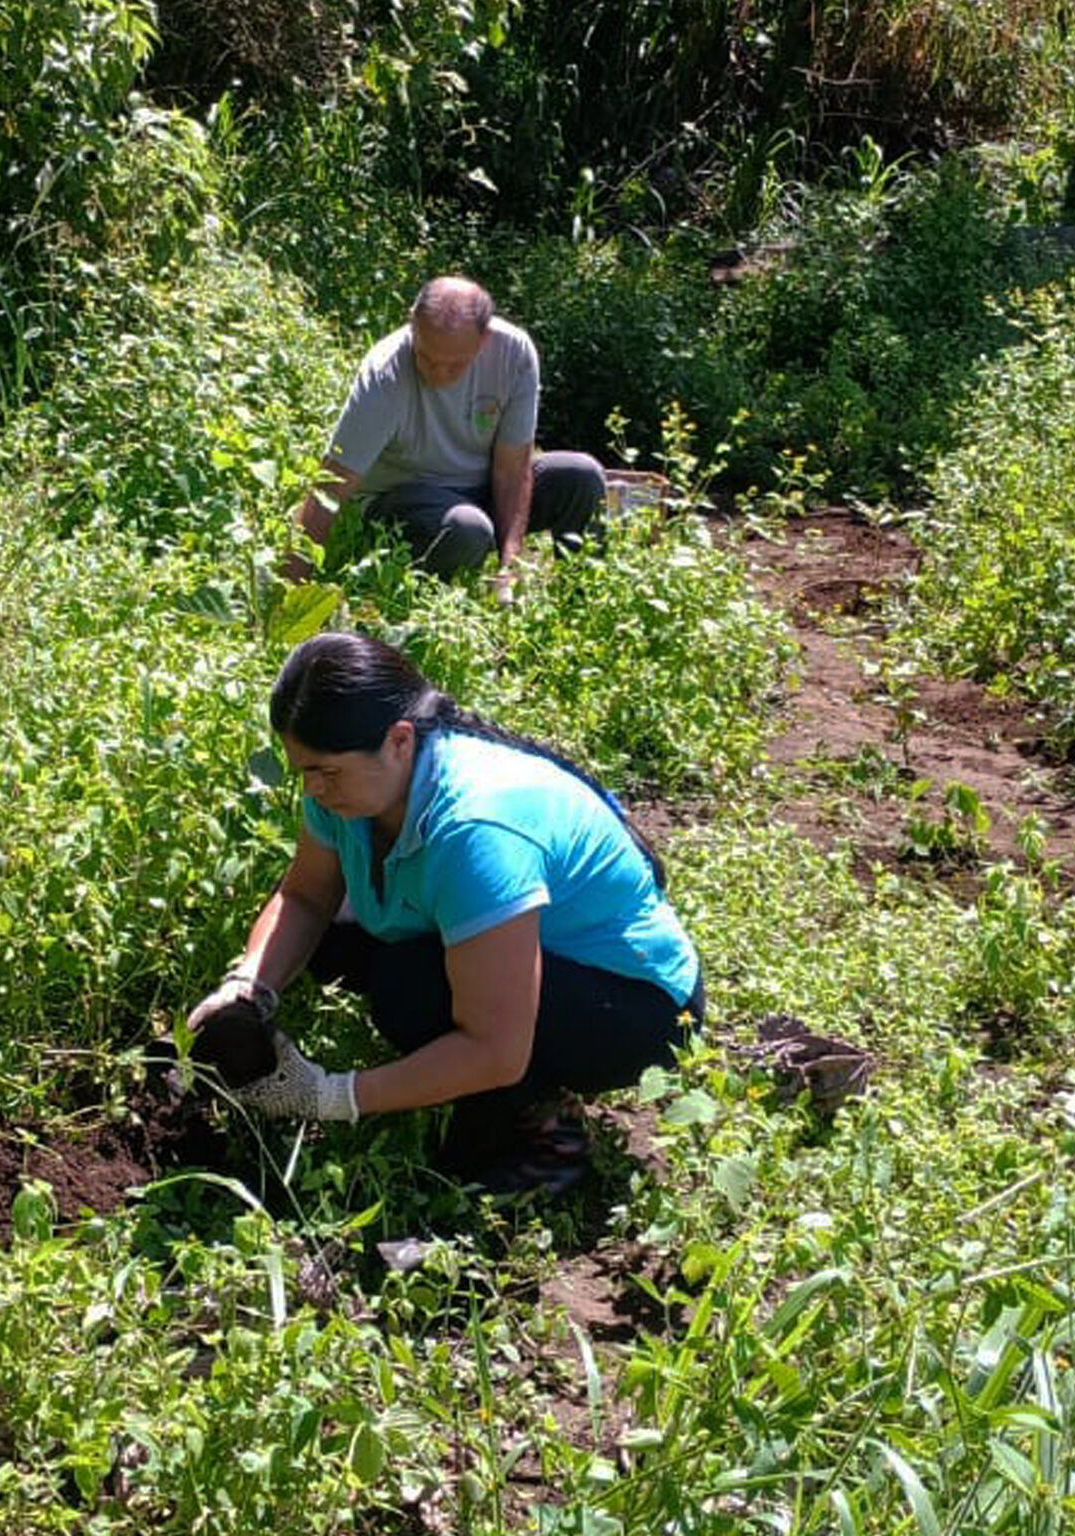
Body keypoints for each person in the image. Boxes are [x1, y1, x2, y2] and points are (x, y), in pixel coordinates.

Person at [183, 631, 704, 1194]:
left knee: (409, 987)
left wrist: (331, 1096)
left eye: (327, 772)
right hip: (530, 954)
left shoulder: (475, 830)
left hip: (636, 1009)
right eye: (303, 770)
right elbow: (306, 897)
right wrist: (247, 988)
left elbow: (495, 1051)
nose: (312, 790)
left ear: (399, 741)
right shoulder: (356, 789)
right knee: (336, 938)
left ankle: (548, 1135)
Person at [284, 276, 606, 601]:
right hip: (405, 504)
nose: (437, 374)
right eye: (426, 358)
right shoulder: (384, 374)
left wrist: (509, 568)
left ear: (484, 340)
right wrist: (289, 595)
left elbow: (512, 470)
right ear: (413, 326)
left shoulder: (514, 354)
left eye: (454, 366)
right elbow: (331, 487)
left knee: (581, 476)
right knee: (467, 528)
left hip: (480, 493)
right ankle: (425, 601)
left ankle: (581, 603)